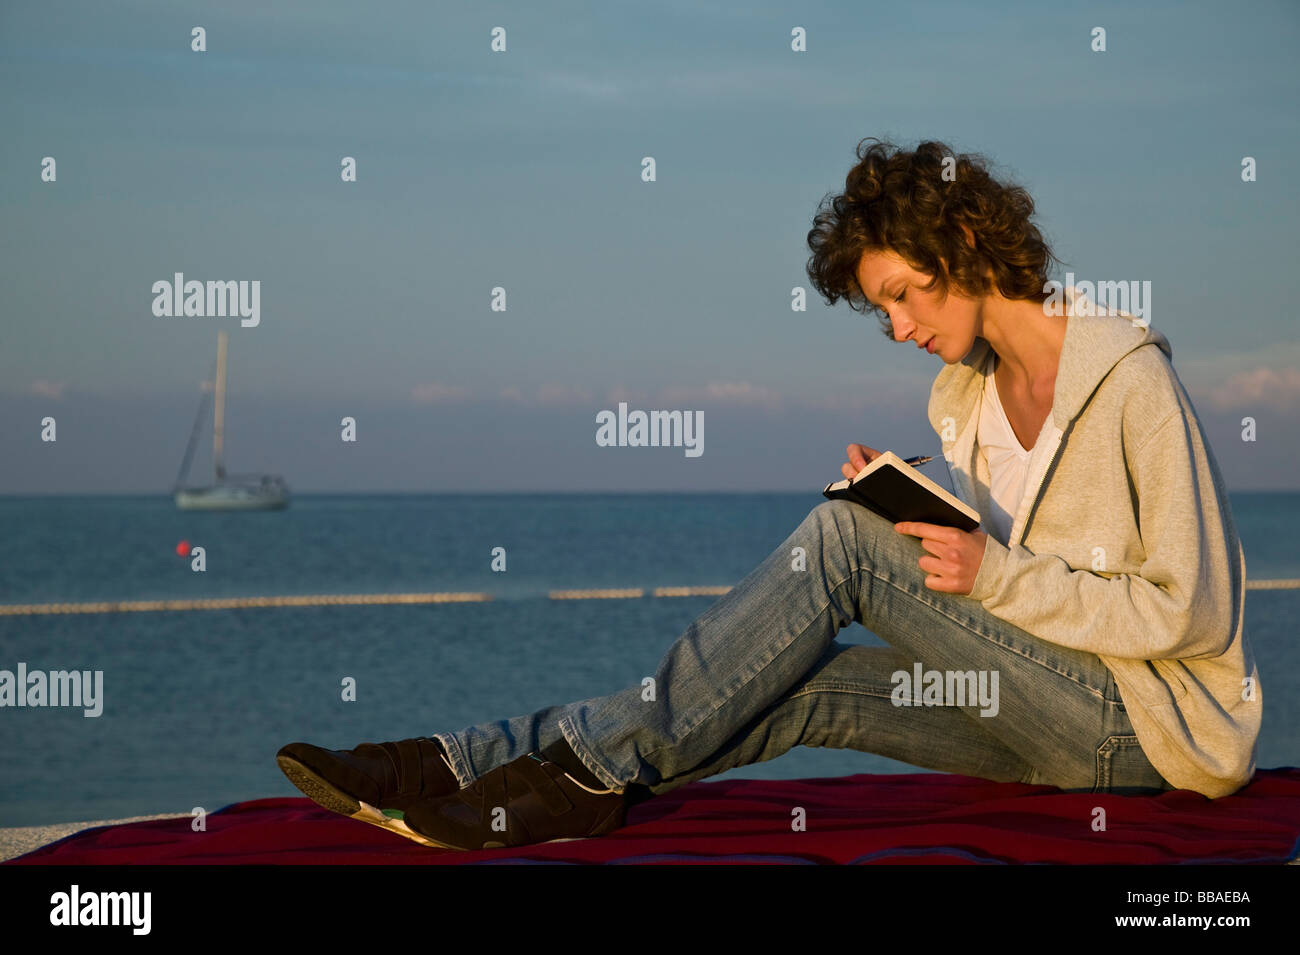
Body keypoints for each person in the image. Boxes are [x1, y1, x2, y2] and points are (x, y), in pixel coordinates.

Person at [276, 138, 1261, 851]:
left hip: (1145, 727)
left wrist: (982, 566)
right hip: (1038, 713)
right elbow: (1010, 561)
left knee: (838, 541)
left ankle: (585, 771)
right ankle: (458, 766)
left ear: (962, 237)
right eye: (883, 311)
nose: (900, 326)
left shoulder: (1129, 378)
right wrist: (918, 500)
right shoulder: (964, 397)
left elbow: (1191, 609)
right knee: (793, 685)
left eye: (903, 293)